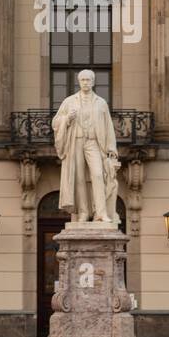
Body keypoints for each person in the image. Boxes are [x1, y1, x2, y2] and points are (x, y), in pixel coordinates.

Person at [52, 69, 120, 225]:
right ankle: (83, 213)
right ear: (78, 82)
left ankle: (101, 214)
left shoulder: (101, 103)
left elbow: (108, 127)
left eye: (88, 80)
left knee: (97, 175)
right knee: (79, 178)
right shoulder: (69, 101)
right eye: (82, 80)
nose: (85, 82)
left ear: (93, 82)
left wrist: (112, 150)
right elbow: (55, 122)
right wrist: (67, 119)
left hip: (93, 142)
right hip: (76, 141)